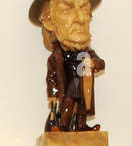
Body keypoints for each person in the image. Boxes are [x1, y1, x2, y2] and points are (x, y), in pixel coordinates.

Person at [29, 0, 105, 133]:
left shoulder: (86, 53)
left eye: (84, 9)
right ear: (49, 22)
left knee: (82, 107)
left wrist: (92, 63)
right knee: (68, 104)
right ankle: (63, 125)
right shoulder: (57, 56)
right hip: (70, 87)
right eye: (67, 10)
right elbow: (51, 76)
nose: (80, 19)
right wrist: (53, 94)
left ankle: (81, 126)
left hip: (83, 85)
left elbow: (100, 63)